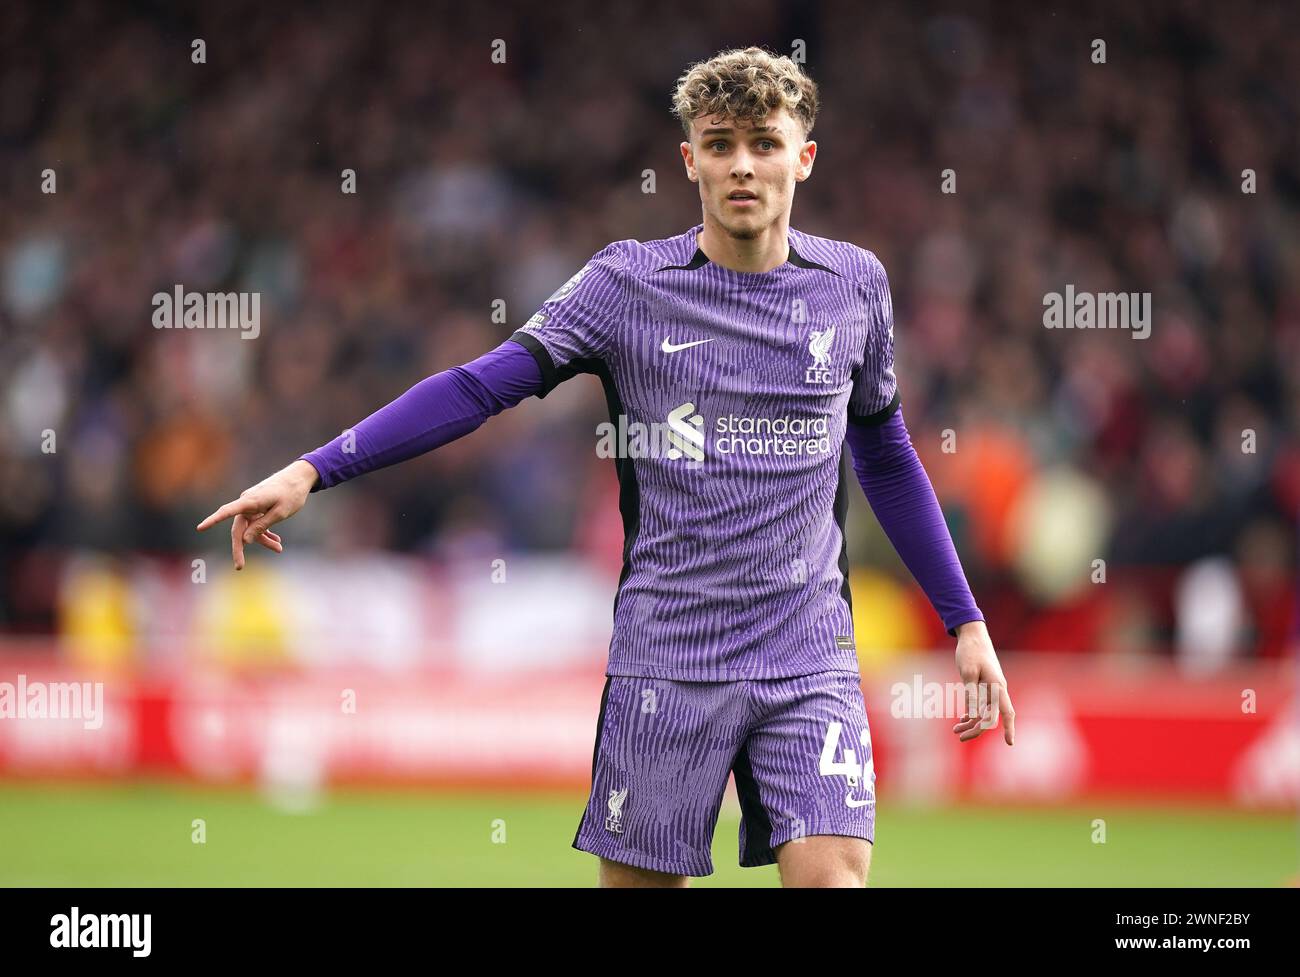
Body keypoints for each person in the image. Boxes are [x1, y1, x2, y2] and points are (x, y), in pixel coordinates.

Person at [197, 46, 1015, 888]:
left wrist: (966, 621)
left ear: (803, 158)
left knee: (833, 883)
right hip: (666, 658)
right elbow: (481, 386)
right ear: (688, 158)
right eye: (721, 142)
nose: (743, 164)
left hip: (808, 654)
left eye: (764, 143)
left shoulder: (855, 286)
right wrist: (312, 469)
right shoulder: (627, 284)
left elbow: (884, 452)